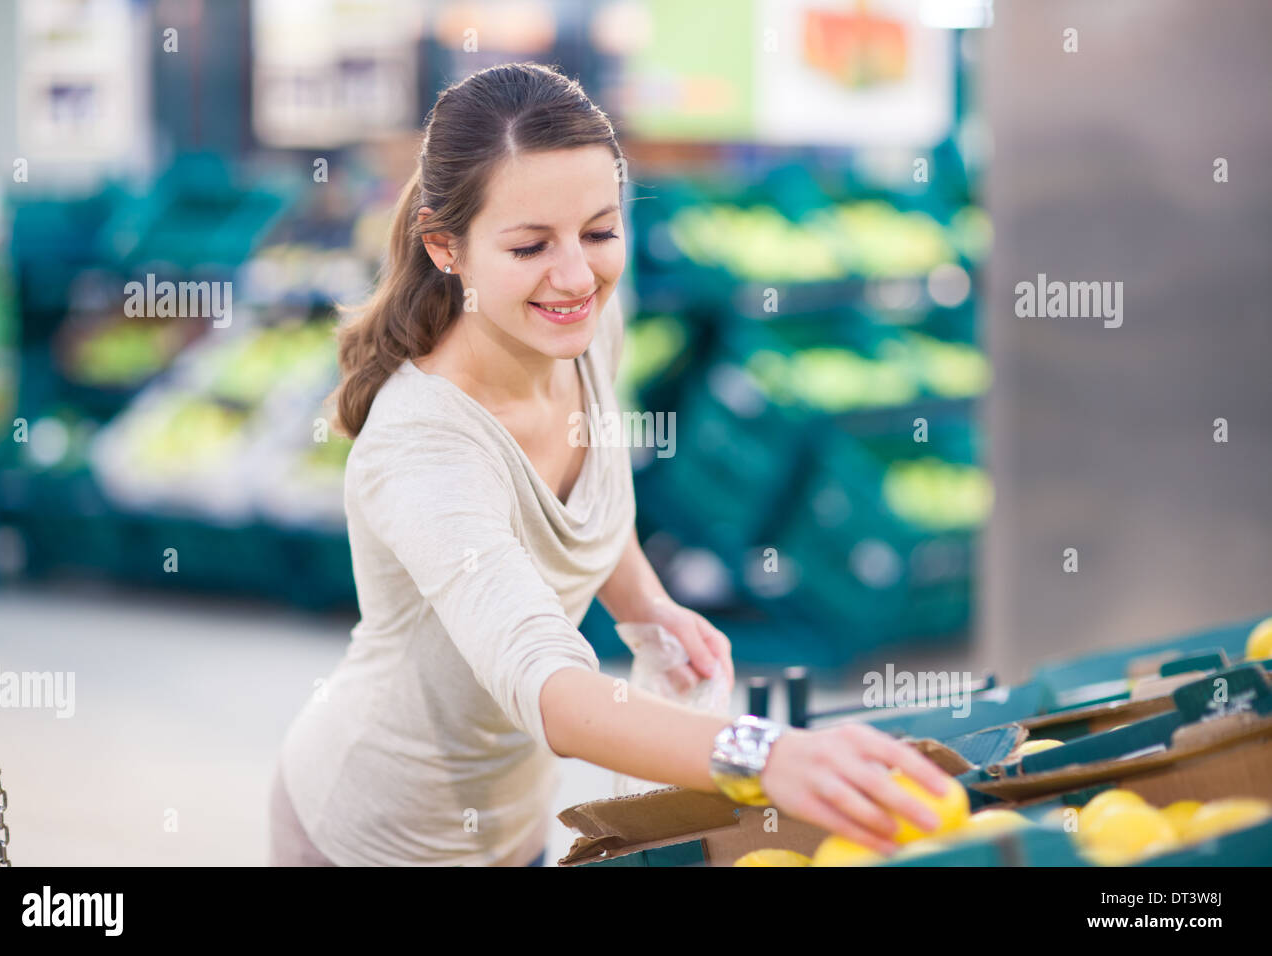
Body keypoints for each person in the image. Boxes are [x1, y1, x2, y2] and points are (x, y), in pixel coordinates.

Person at [270, 61, 955, 867]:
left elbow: (589, 502)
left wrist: (644, 605)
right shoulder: (424, 450)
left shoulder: (585, 328)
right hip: (375, 836)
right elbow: (552, 691)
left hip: (513, 820)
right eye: (529, 246)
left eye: (599, 232)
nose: (574, 276)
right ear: (444, 247)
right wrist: (765, 756)